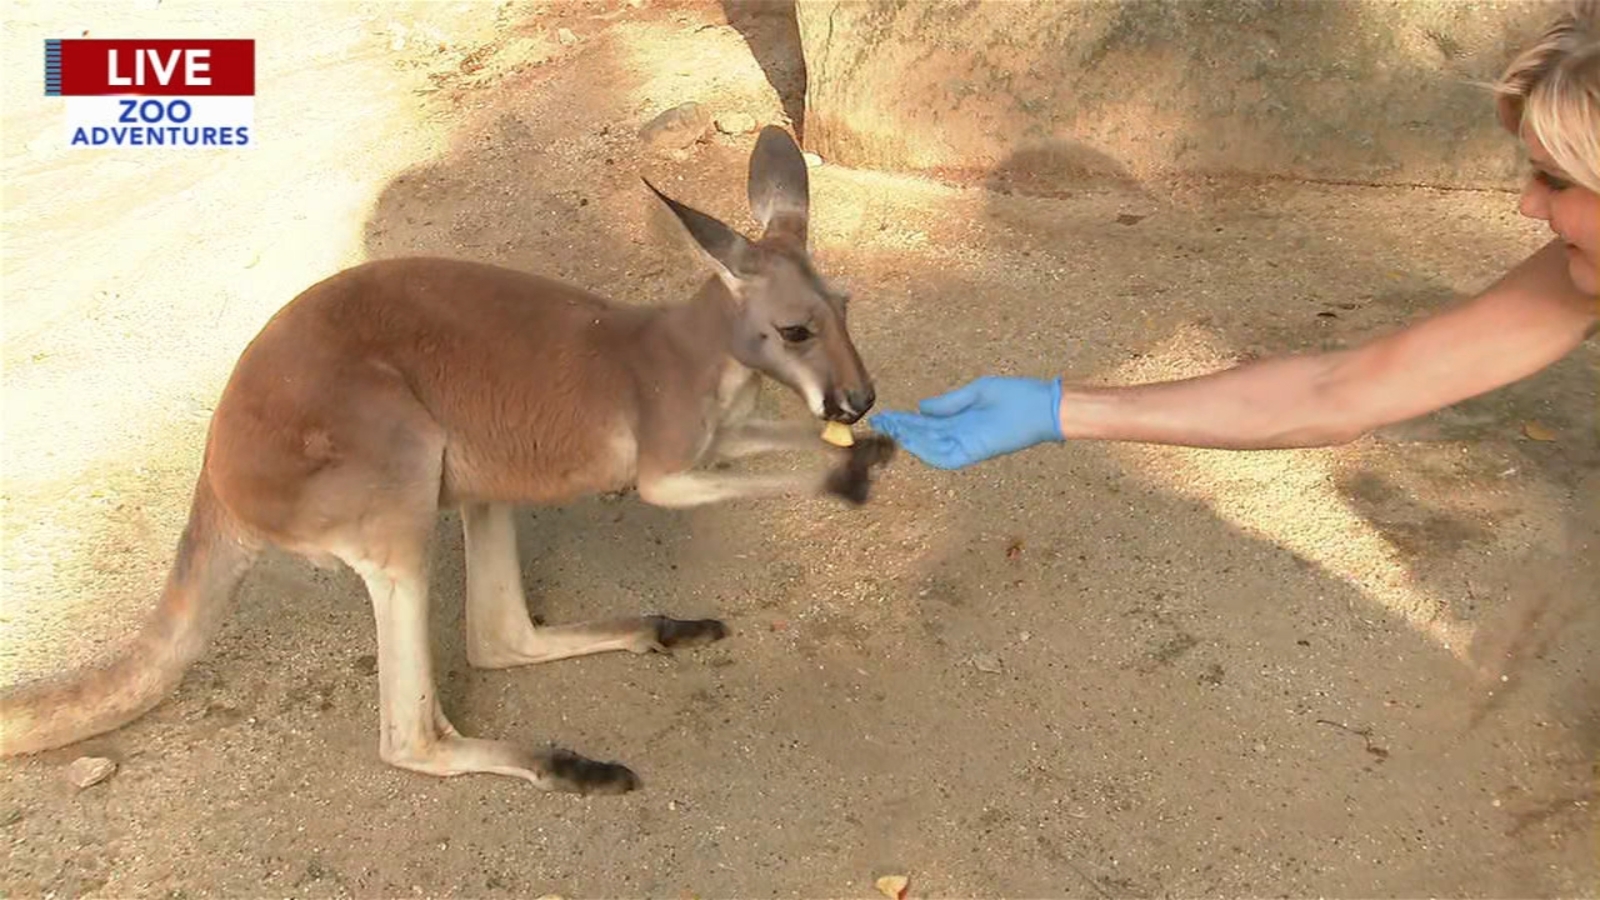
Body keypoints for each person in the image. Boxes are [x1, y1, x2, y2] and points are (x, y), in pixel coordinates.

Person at [868, 1, 1600, 471]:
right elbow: (1336, 390)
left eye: (1559, 182)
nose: (1528, 209)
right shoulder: (1574, 276)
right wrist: (1060, 408)